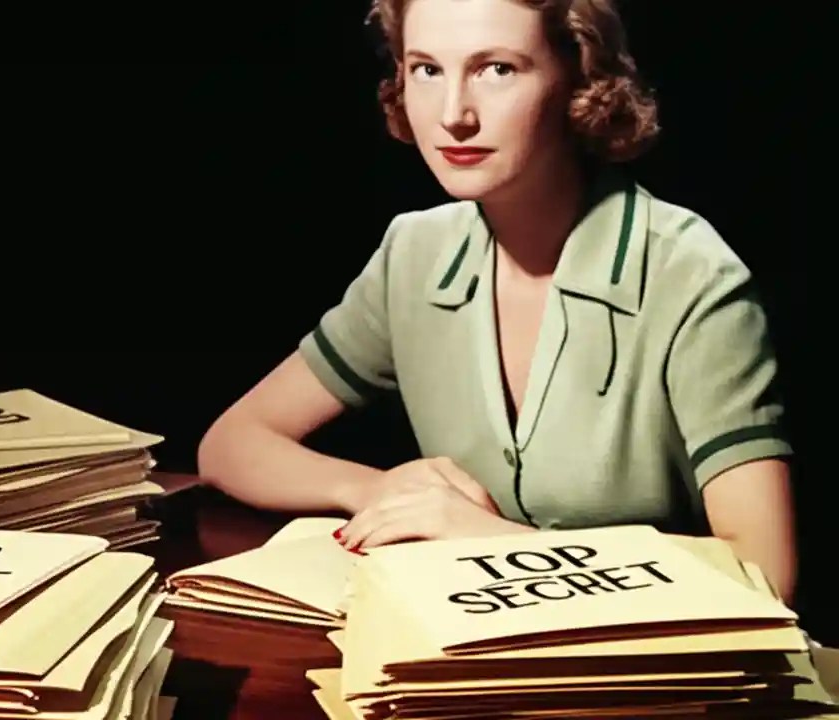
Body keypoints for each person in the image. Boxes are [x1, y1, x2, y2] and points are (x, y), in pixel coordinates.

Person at [196, 0, 798, 605]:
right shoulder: (416, 252)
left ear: (581, 80)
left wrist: (492, 540)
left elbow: (766, 575)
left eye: (497, 69)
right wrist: (377, 489)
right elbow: (231, 444)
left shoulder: (688, 271)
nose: (453, 115)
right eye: (427, 70)